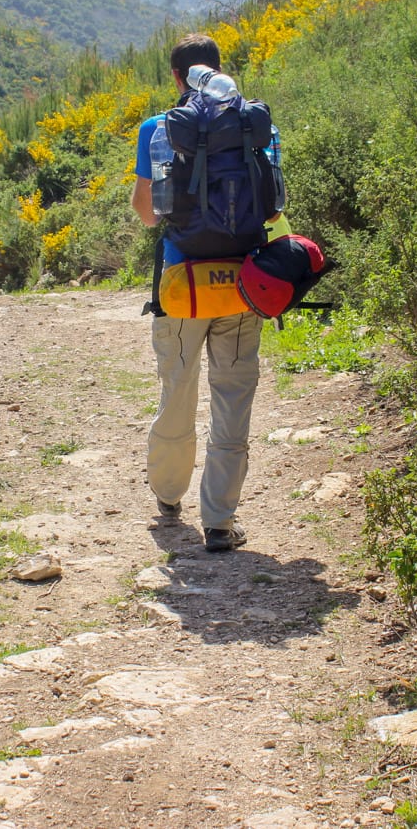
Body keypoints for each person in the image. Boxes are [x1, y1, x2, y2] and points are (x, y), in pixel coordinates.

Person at [130, 32, 281, 554]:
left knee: (177, 389)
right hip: (241, 283)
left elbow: (149, 213)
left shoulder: (157, 128)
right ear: (219, 69)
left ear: (177, 77)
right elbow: (273, 208)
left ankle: (170, 497)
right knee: (232, 399)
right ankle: (220, 521)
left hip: (181, 286)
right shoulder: (256, 126)